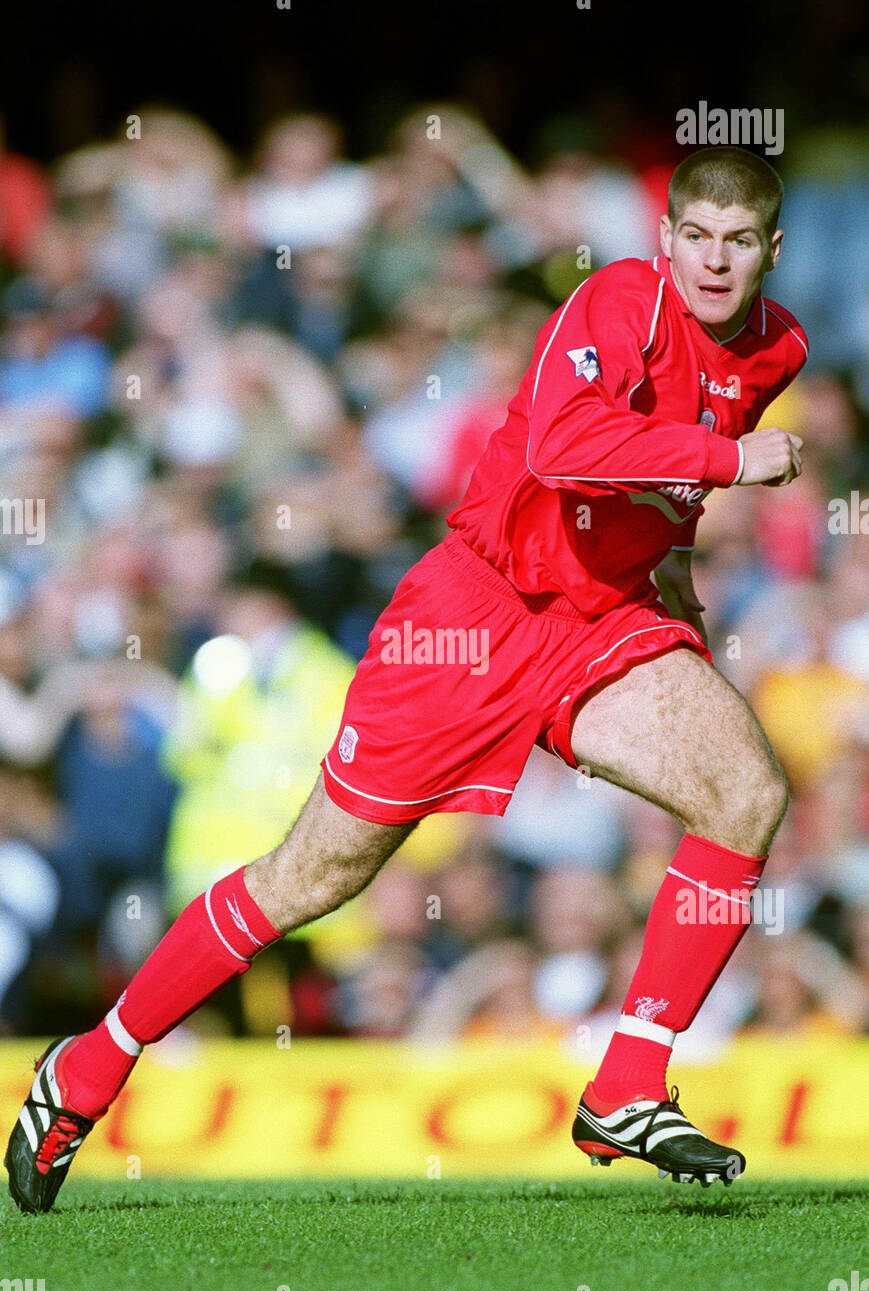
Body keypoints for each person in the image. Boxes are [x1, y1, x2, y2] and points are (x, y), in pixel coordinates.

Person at [6, 146, 809, 1211]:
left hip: (600, 618)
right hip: (473, 614)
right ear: (665, 238)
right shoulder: (620, 299)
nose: (712, 261)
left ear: (770, 250)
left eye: (736, 241)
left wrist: (671, 569)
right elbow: (570, 445)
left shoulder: (775, 350)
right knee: (312, 878)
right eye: (694, 236)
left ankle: (626, 1083)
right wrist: (730, 467)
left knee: (745, 793)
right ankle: (89, 1063)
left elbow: (664, 477)